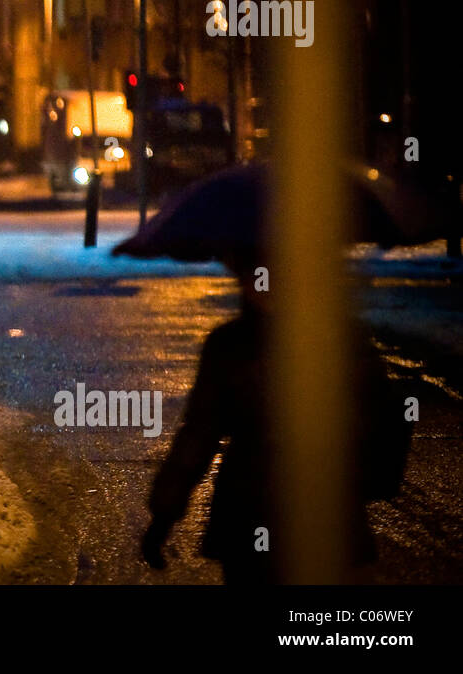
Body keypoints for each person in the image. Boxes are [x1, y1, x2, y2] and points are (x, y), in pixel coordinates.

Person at [140, 248, 410, 583]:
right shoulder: (234, 345)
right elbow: (200, 432)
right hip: (268, 508)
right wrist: (164, 513)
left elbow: (380, 417)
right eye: (259, 275)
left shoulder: (337, 340)